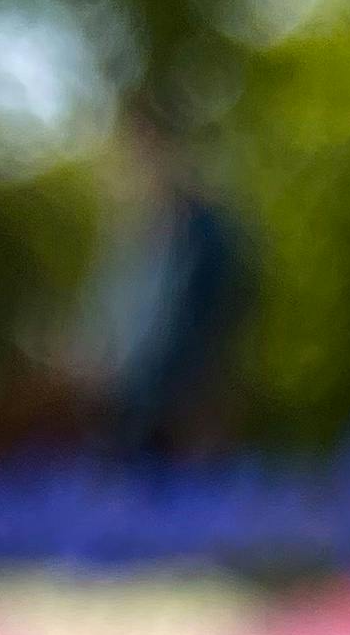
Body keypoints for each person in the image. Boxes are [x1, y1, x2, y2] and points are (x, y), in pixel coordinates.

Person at [83, 101, 253, 458]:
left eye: (144, 149)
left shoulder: (207, 235)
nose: (134, 165)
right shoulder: (131, 234)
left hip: (185, 406)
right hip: (130, 405)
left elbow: (220, 320)